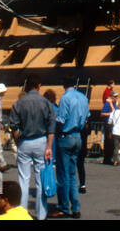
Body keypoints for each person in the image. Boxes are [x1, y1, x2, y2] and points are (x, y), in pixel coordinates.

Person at [9, 76, 55, 219]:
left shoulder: (19, 103)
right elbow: (51, 127)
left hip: (24, 141)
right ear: (39, 85)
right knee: (41, 180)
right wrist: (49, 147)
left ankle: (22, 214)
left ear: (27, 86)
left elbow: (13, 126)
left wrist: (17, 141)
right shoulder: (46, 103)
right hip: (41, 141)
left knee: (23, 179)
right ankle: (41, 214)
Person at [52, 78, 88, 218]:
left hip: (65, 137)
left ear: (64, 85)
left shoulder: (65, 98)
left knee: (62, 174)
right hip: (78, 136)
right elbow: (86, 120)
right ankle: (76, 207)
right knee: (73, 174)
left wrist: (56, 134)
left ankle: (63, 207)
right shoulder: (83, 97)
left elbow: (61, 120)